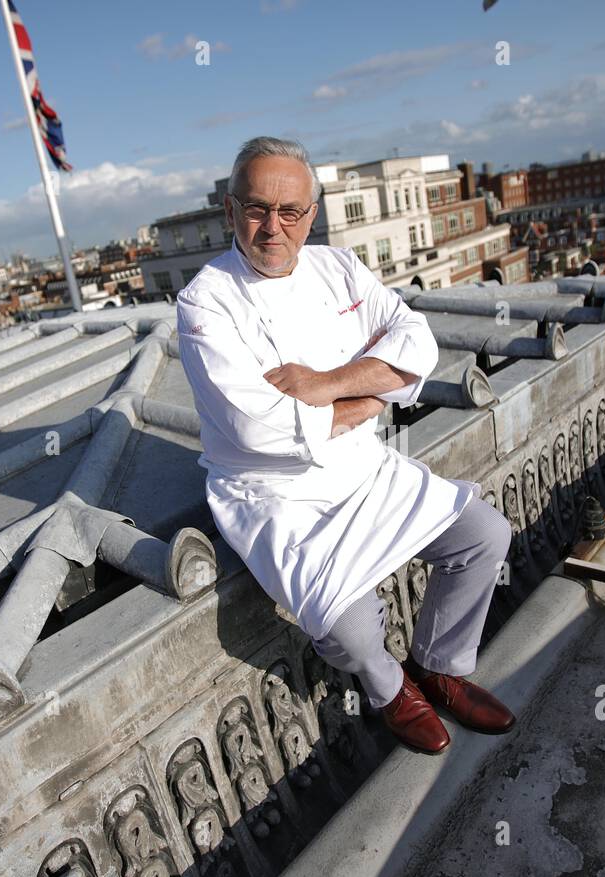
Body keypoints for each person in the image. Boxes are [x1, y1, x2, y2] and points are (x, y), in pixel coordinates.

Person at [176, 136, 515, 754]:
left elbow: (418, 345)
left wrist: (324, 384)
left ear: (312, 213)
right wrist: (372, 397)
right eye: (256, 209)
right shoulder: (205, 303)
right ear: (230, 213)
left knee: (485, 536)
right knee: (353, 632)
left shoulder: (339, 268)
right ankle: (389, 688)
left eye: (291, 212)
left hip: (366, 468)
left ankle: (441, 664)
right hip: (276, 494)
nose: (273, 228)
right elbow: (259, 427)